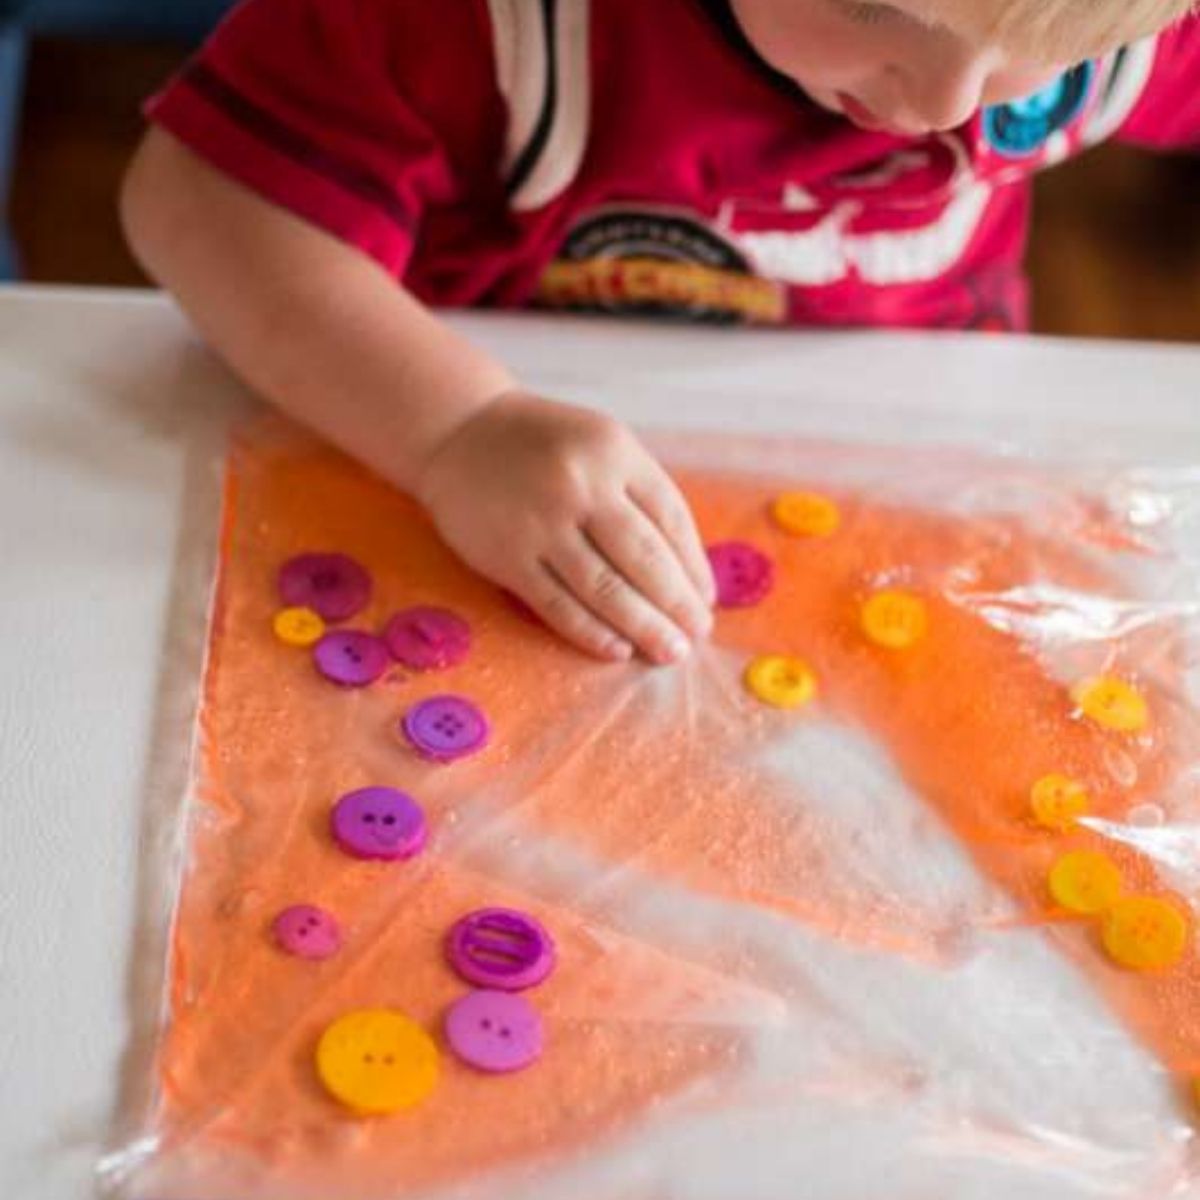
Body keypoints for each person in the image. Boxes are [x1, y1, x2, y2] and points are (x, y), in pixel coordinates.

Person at [120, 0, 1200, 664]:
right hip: (504, 483)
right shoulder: (485, 19)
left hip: (924, 490)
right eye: (877, 5)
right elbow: (200, 203)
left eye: (1022, 53)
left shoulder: (1089, 33)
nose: (940, 101)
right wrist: (457, 427)